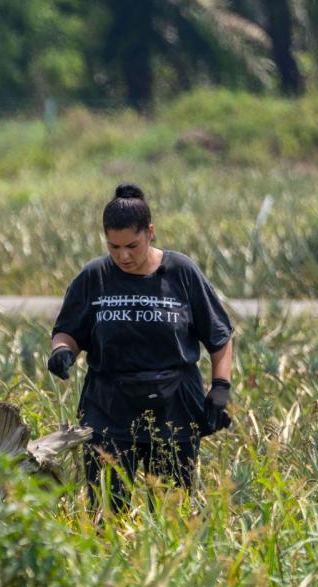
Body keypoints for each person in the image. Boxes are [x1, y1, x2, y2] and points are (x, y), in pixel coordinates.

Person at [48, 183, 233, 511]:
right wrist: (62, 352)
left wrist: (220, 388)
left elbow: (219, 336)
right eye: (113, 246)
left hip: (174, 409)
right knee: (107, 509)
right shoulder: (95, 276)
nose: (123, 256)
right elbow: (67, 331)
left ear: (150, 232)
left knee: (170, 514)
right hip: (108, 410)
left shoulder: (181, 272)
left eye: (132, 245)